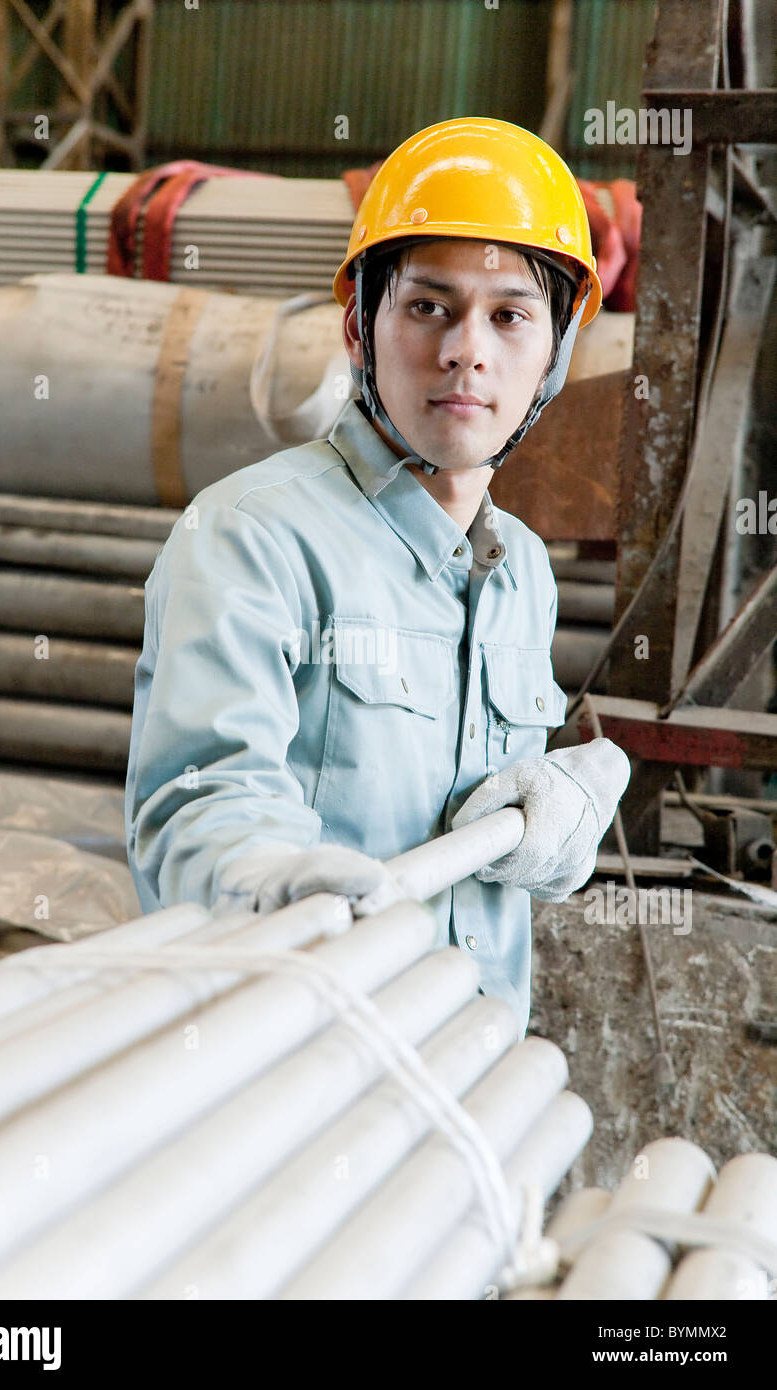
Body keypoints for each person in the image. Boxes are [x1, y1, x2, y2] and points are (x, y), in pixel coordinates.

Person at [124, 117, 631, 1036]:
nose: (464, 351)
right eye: (427, 306)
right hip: (304, 1067)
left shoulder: (519, 570)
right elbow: (196, 808)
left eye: (509, 315)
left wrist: (555, 822)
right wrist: (275, 882)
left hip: (476, 1071)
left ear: (556, 350)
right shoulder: (249, 537)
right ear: (361, 323)